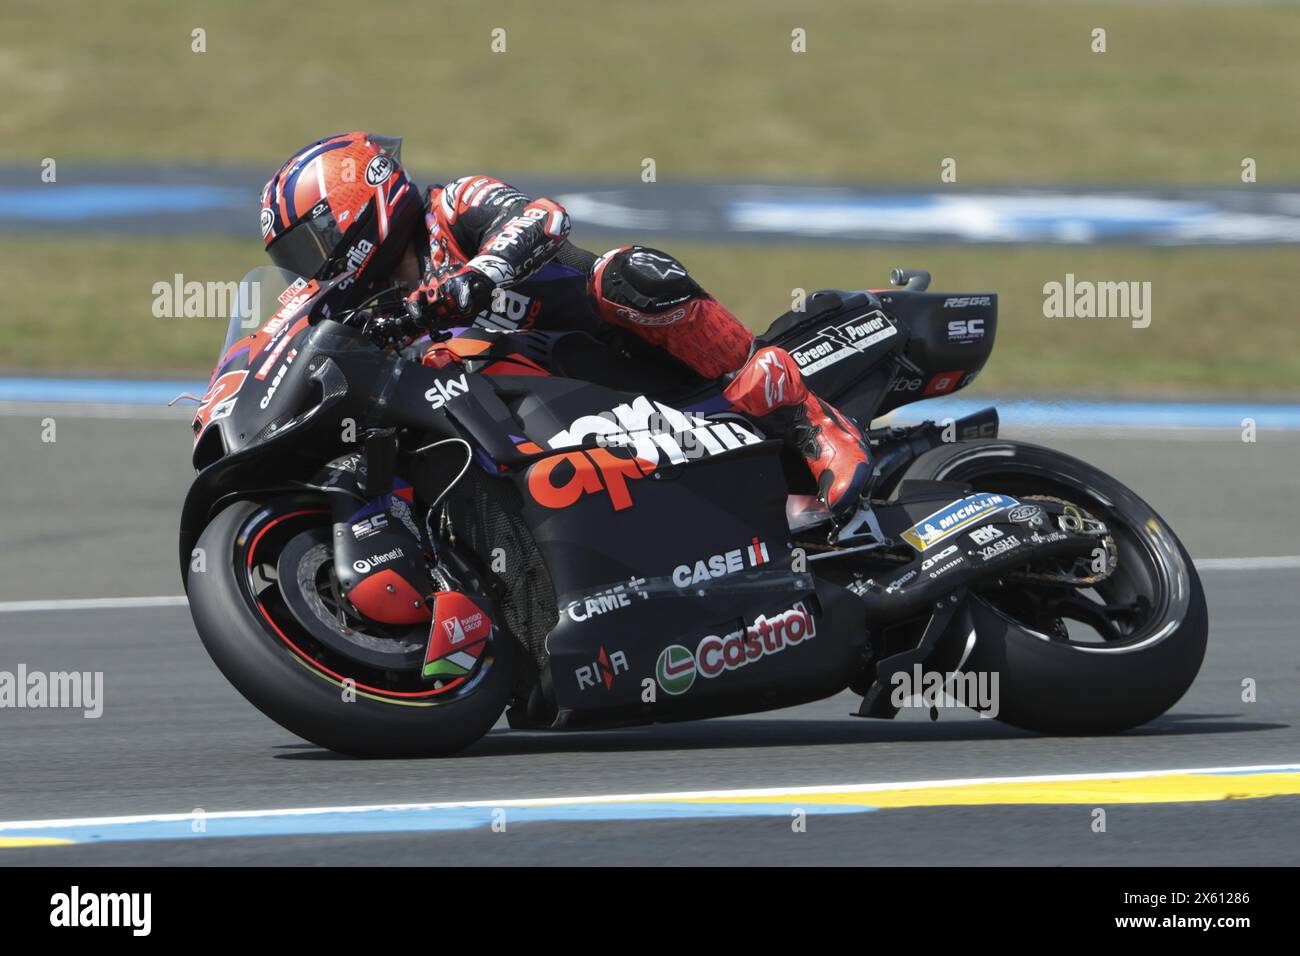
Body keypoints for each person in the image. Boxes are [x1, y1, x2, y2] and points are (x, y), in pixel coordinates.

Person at [258, 132, 871, 516]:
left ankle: (810, 422)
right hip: (548, 414)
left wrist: (479, 275)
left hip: (629, 354)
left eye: (312, 245)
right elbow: (286, 340)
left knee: (632, 273)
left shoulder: (455, 204)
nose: (309, 268)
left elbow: (544, 217)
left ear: (358, 210)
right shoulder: (367, 308)